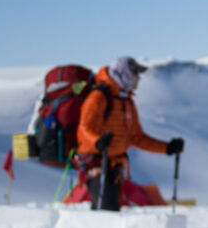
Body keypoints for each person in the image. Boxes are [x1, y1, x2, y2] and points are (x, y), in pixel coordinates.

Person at [74, 56, 183, 211]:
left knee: (111, 209)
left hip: (115, 166)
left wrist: (167, 148)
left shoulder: (127, 101)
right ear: (123, 73)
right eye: (135, 73)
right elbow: (84, 129)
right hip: (96, 162)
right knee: (105, 208)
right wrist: (98, 142)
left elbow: (136, 137)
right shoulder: (98, 97)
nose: (138, 78)